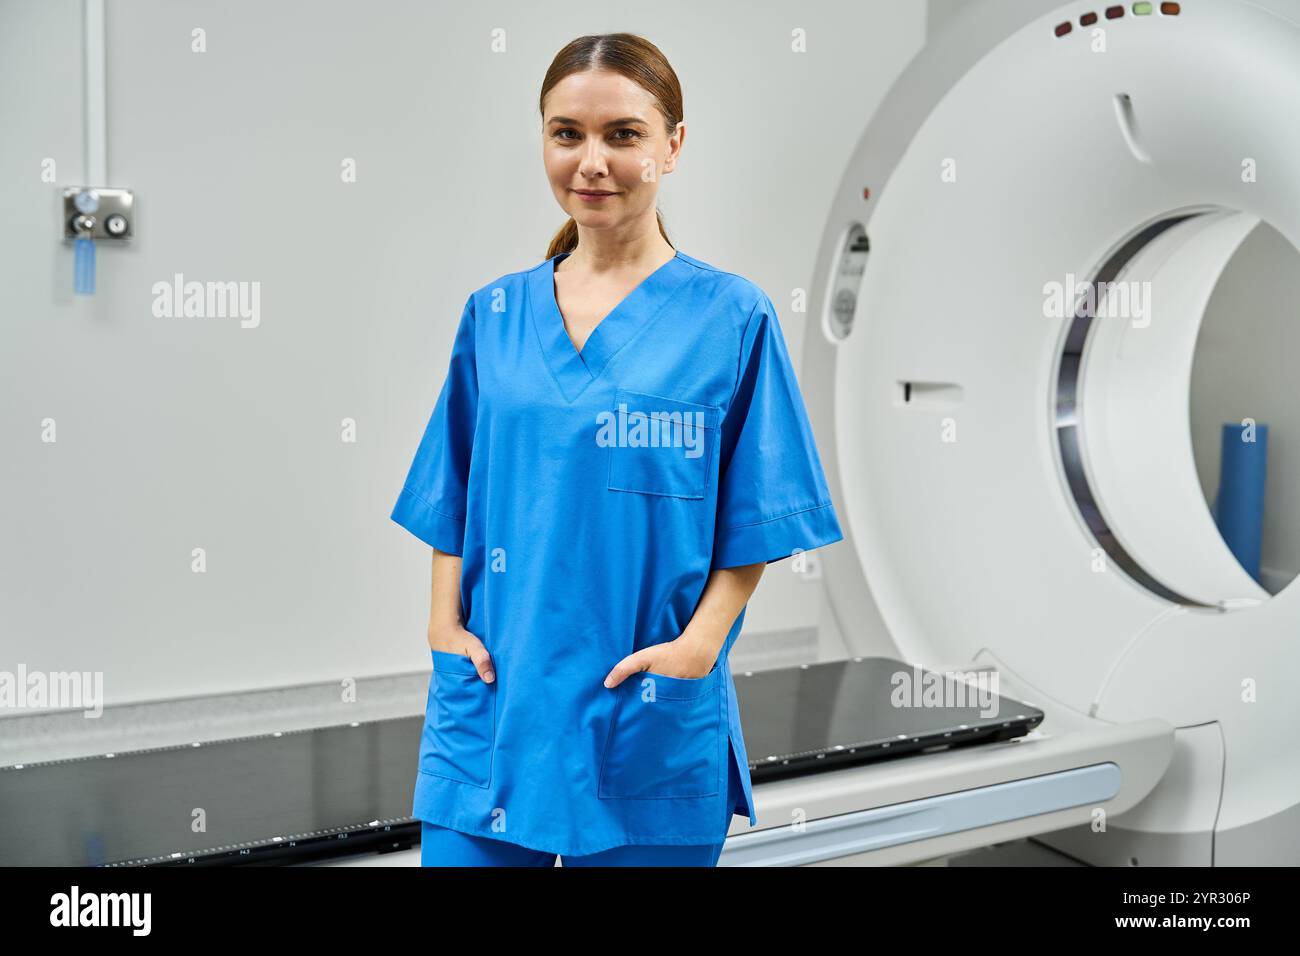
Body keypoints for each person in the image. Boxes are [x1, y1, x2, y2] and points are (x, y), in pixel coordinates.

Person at [392, 32, 843, 867]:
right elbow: (448, 494)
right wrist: (440, 627)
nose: (590, 161)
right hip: (493, 711)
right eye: (566, 134)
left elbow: (757, 520)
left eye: (622, 135)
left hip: (647, 711)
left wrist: (697, 649)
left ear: (672, 145)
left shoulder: (731, 319)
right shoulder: (493, 315)